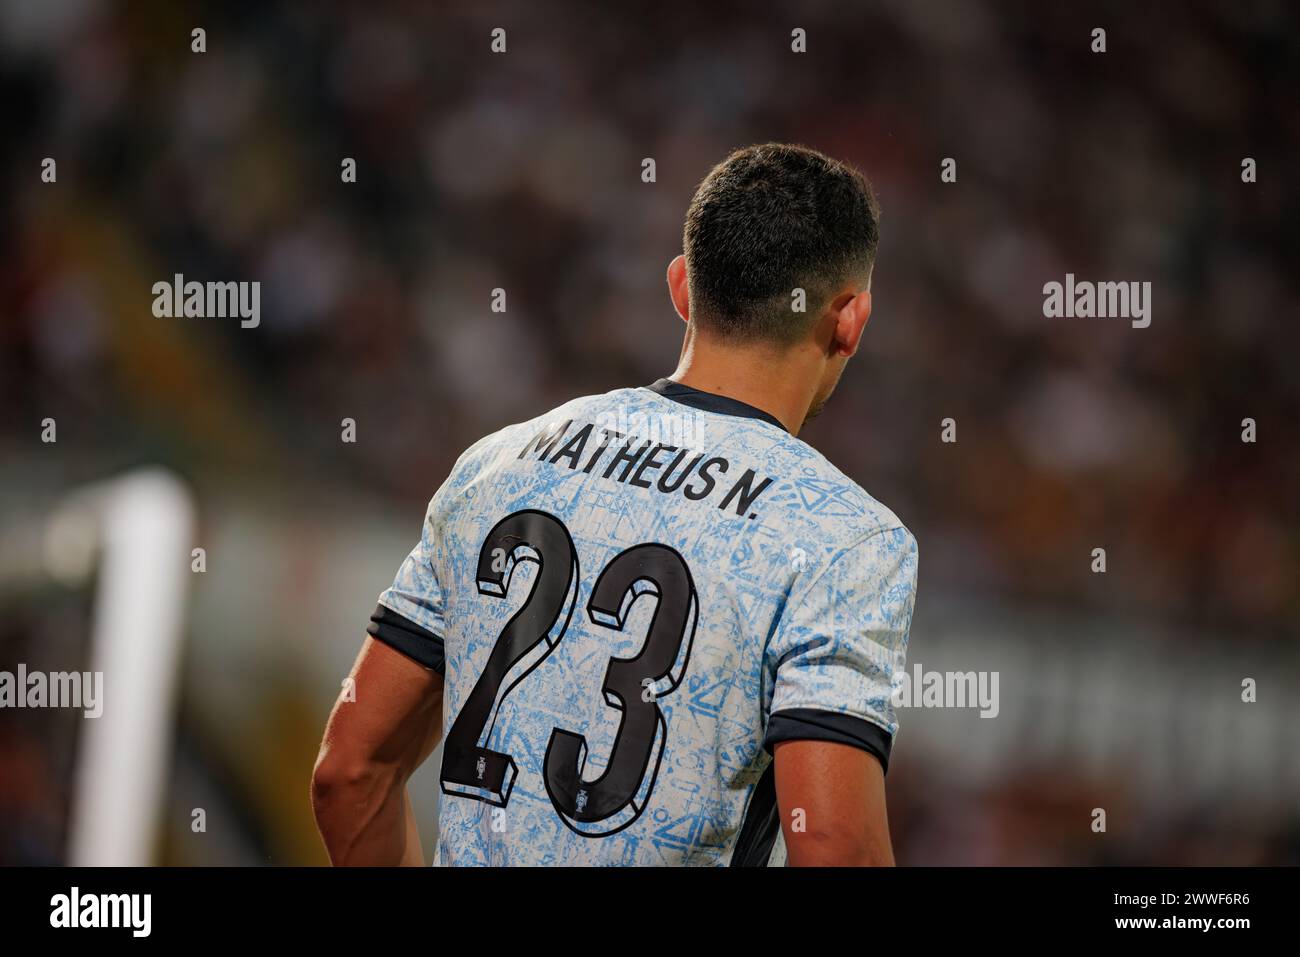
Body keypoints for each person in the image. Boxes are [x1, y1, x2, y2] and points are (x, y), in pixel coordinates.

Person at [312, 142, 918, 866]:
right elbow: (834, 843)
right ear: (851, 318)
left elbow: (348, 771)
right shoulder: (843, 539)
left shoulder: (499, 464)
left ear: (681, 287)